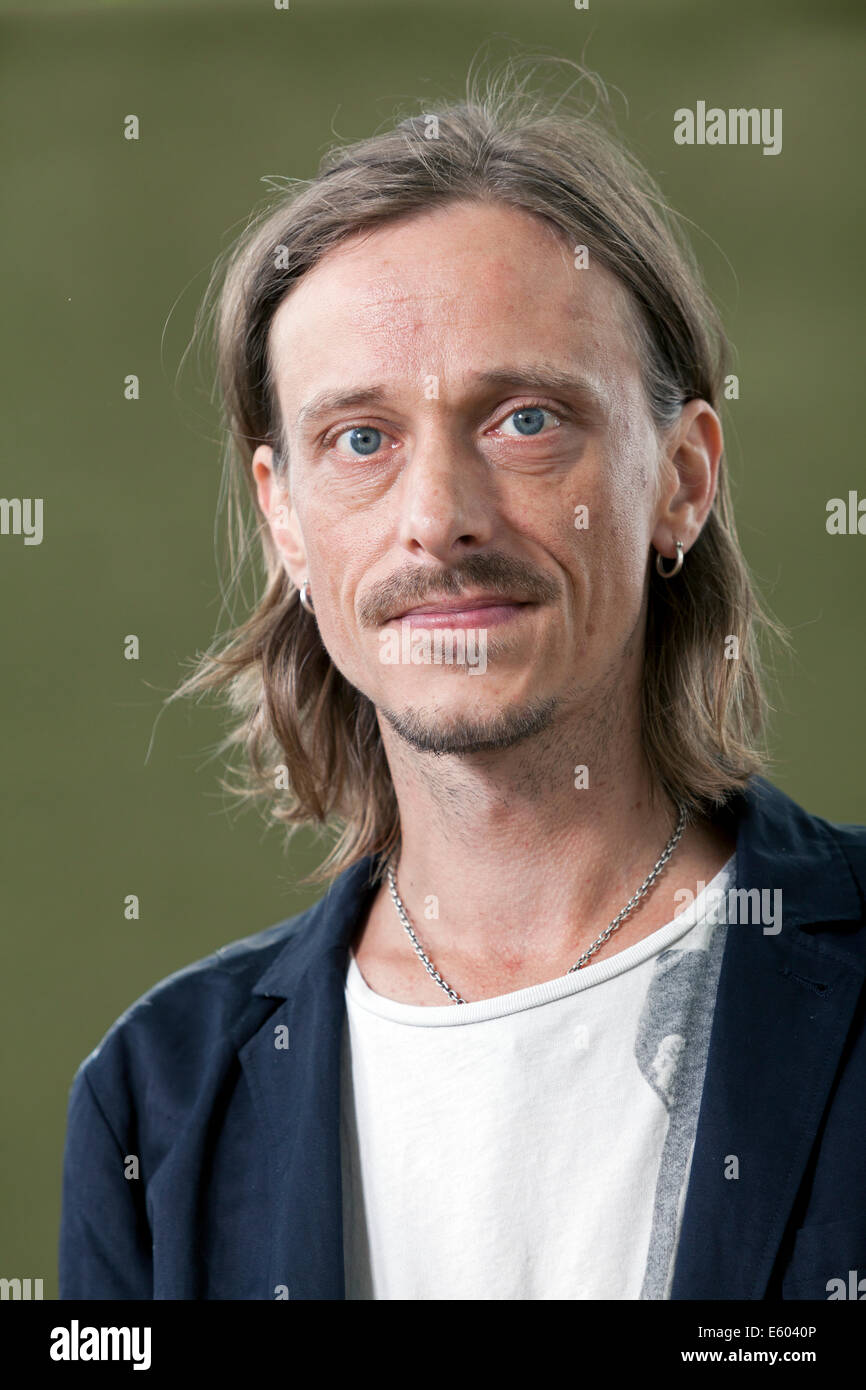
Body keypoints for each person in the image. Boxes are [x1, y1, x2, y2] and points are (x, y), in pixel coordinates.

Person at [59, 64, 866, 1301]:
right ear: (286, 520)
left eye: (526, 419)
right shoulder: (154, 1103)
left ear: (681, 480)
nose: (435, 519)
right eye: (361, 440)